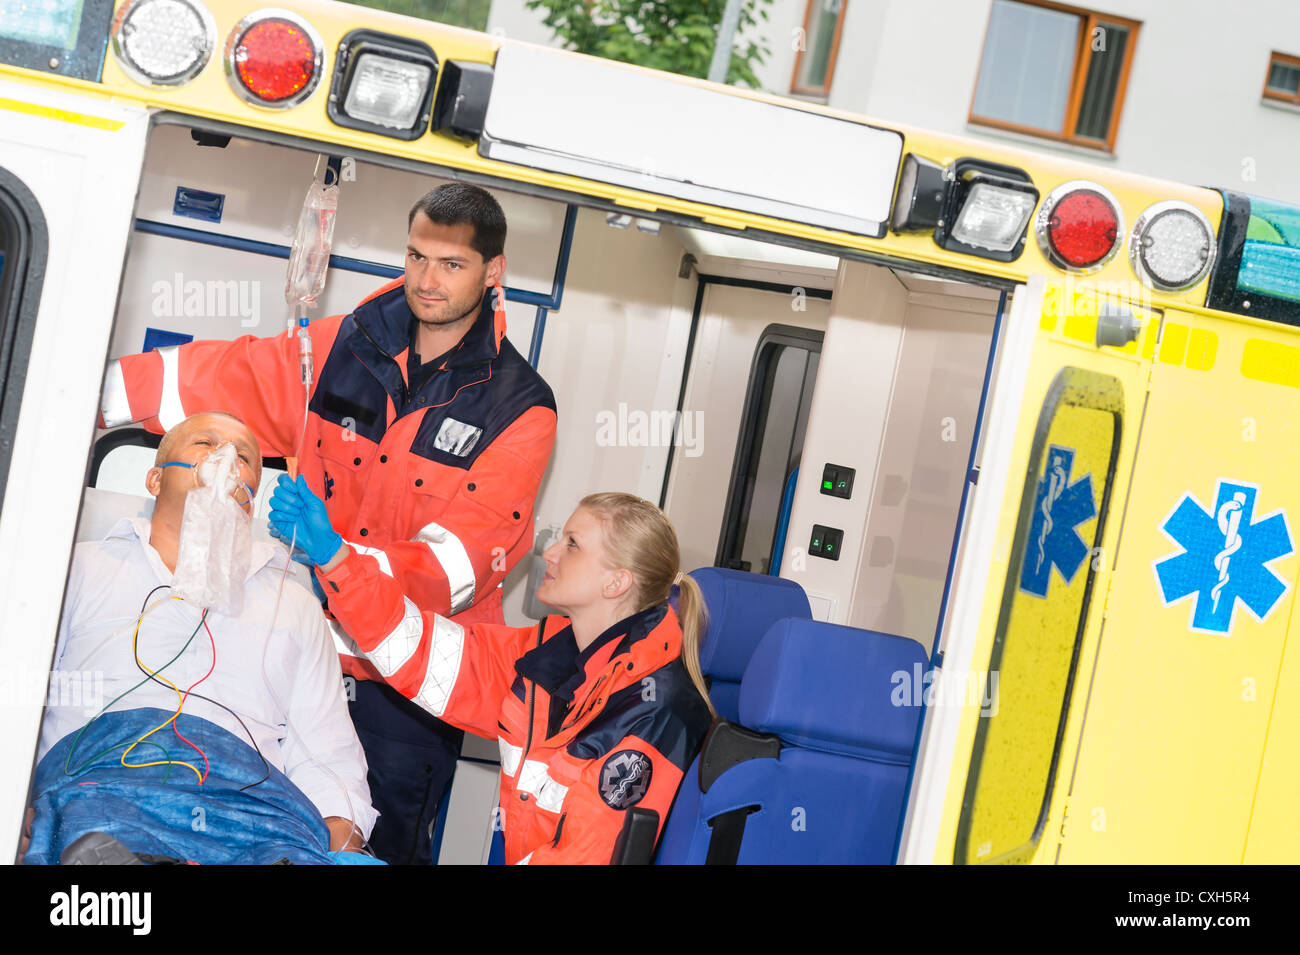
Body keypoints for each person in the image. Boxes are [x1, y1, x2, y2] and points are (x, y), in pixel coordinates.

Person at [98, 183, 557, 863]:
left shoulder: (520, 409)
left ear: (494, 272)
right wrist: (81, 389)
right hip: (300, 653)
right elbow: (219, 377)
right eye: (416, 256)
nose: (427, 281)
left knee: (379, 843)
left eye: (451, 265)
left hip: (404, 679)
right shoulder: (342, 345)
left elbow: (454, 572)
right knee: (263, 828)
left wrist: (336, 556)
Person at [24, 412, 376, 865]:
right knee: (93, 835)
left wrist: (334, 842)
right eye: (205, 443)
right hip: (104, 786)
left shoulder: (293, 605)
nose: (226, 457)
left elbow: (327, 751)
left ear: (252, 493)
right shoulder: (78, 569)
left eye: (244, 456)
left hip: (253, 810)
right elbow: (17, 698)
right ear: (154, 479)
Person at [300, 490, 716, 864]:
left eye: (572, 545)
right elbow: (420, 650)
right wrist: (337, 561)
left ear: (617, 582)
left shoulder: (655, 706)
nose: (549, 553)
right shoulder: (548, 655)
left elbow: (583, 856)